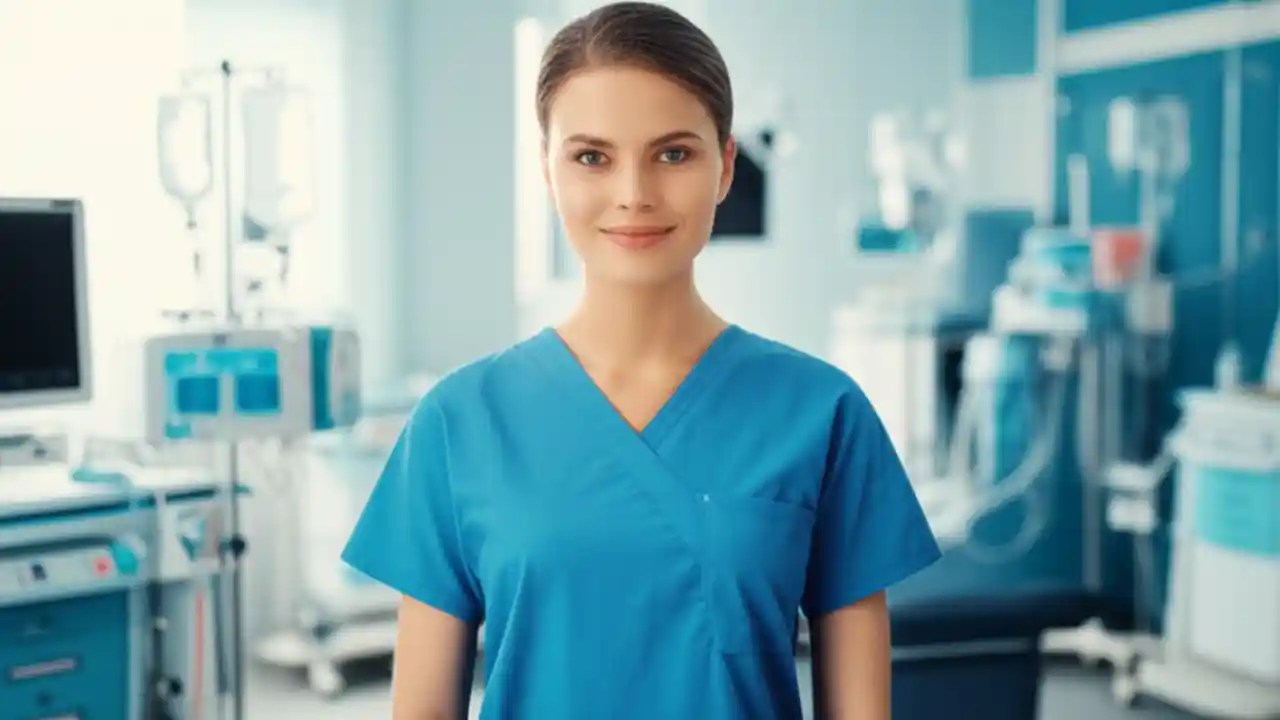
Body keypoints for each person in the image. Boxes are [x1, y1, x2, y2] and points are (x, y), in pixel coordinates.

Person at [342, 3, 941, 718]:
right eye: (592, 157)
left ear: (725, 166)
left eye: (673, 154)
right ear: (548, 170)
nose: (634, 195)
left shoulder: (821, 412)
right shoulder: (460, 421)